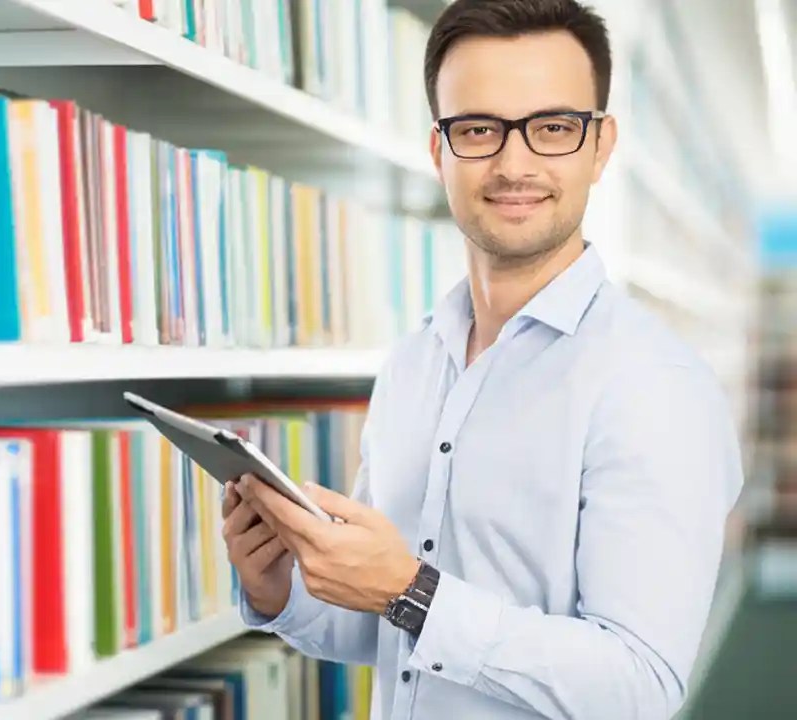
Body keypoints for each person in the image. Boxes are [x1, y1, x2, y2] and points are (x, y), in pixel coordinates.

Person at [220, 0, 745, 718]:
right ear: (438, 149)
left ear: (600, 146)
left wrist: (412, 590)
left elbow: (639, 688)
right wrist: (280, 587)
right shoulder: (413, 362)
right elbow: (385, 629)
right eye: (478, 129)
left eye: (554, 128)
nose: (513, 163)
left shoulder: (656, 388)